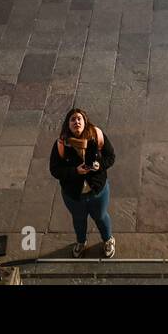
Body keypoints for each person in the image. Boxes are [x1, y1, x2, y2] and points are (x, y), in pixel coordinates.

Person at [49, 107, 116, 258]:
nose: (76, 122)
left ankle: (107, 239)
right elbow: (54, 170)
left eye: (79, 119)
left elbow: (110, 156)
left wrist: (100, 165)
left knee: (101, 216)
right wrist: (75, 171)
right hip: (74, 195)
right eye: (73, 120)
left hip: (97, 191)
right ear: (68, 125)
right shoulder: (61, 144)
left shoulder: (96, 135)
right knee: (78, 219)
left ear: (85, 122)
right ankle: (81, 242)